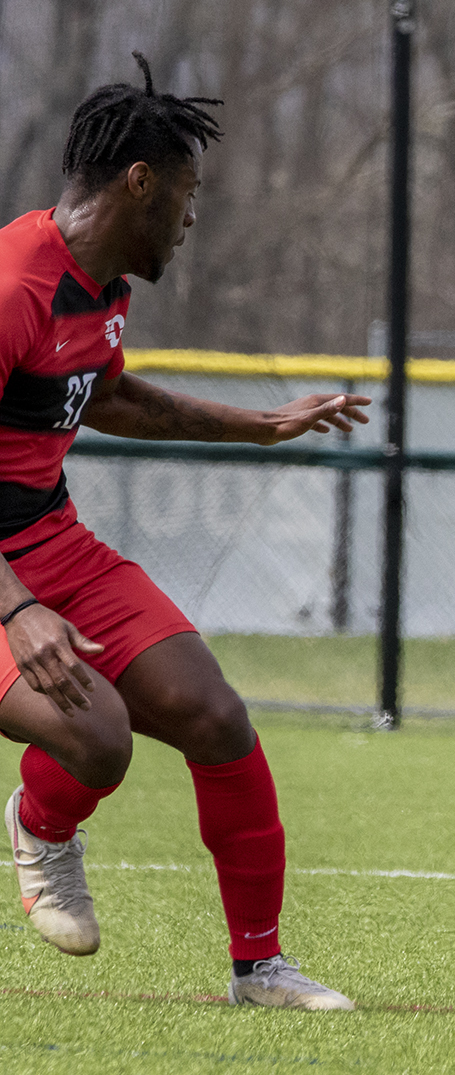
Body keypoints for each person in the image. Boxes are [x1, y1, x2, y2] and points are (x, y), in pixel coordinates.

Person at [0, 53, 368, 1011]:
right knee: (103, 741)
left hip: (50, 541)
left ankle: (261, 970)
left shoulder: (105, 286)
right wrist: (19, 608)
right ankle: (41, 825)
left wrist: (262, 423)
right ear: (140, 182)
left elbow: (110, 397)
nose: (193, 215)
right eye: (188, 192)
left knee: (215, 716)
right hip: (6, 575)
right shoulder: (12, 286)